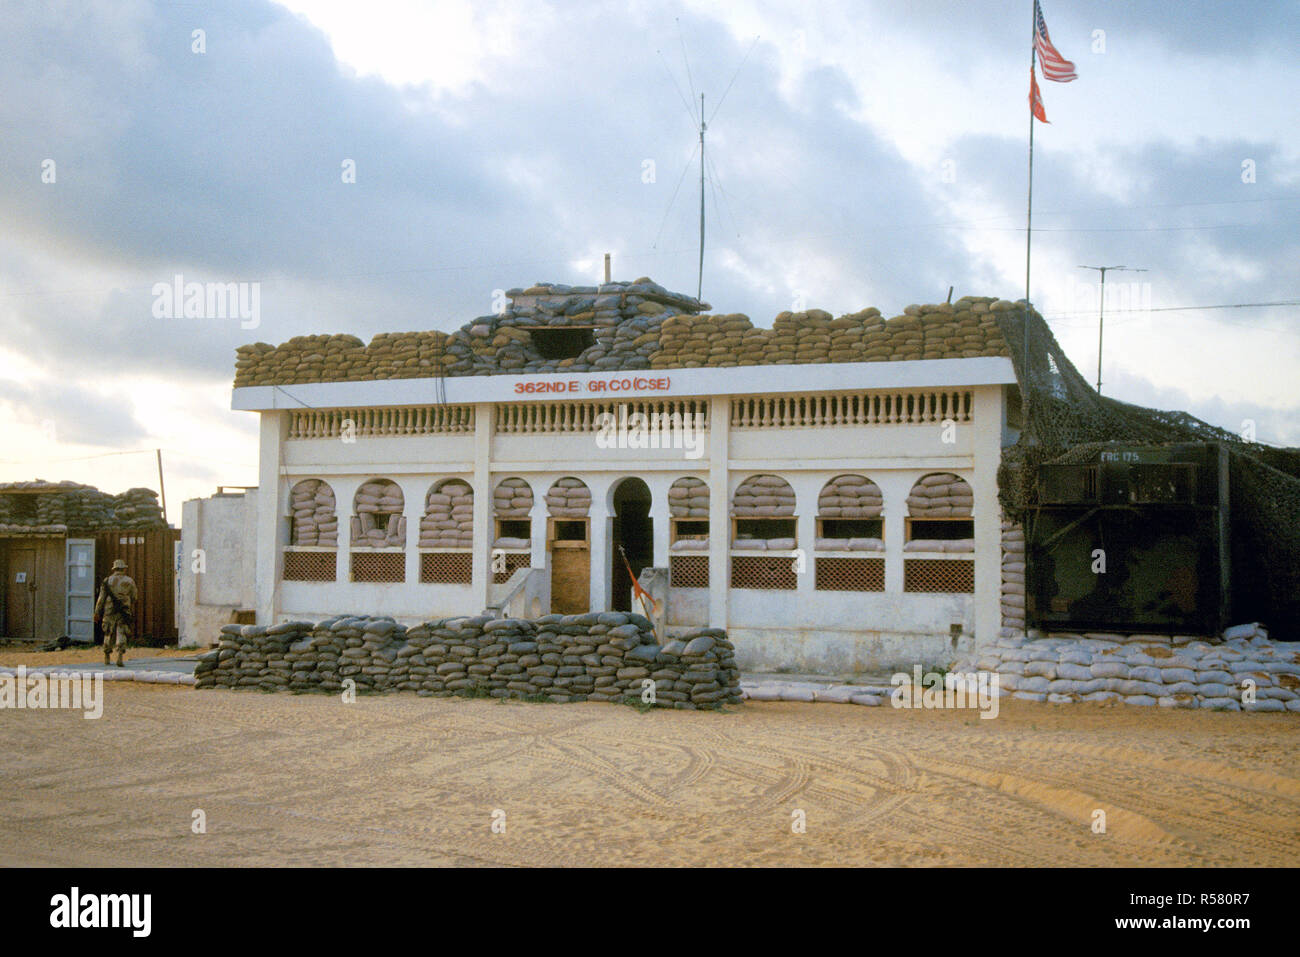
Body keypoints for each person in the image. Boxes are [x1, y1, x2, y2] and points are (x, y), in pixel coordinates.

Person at [94, 558, 138, 667]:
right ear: (123, 569)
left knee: (108, 632)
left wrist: (97, 613)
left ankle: (107, 657)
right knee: (121, 631)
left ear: (114, 569)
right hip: (123, 610)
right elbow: (134, 597)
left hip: (109, 610)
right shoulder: (129, 581)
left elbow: (101, 599)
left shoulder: (107, 581)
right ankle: (120, 657)